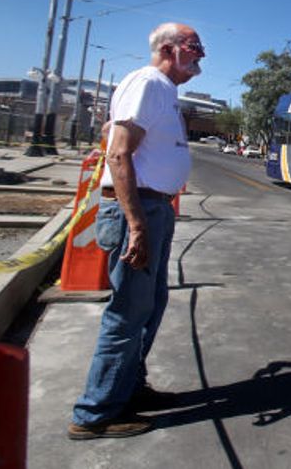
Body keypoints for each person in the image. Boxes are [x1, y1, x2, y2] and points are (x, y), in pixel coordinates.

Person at [68, 22, 205, 440]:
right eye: (194, 46)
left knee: (149, 306)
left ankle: (128, 390)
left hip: (153, 207)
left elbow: (114, 134)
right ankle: (96, 413)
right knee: (127, 314)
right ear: (168, 48)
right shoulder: (148, 82)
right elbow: (120, 152)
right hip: (140, 210)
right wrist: (136, 224)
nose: (201, 54)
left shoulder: (162, 89)